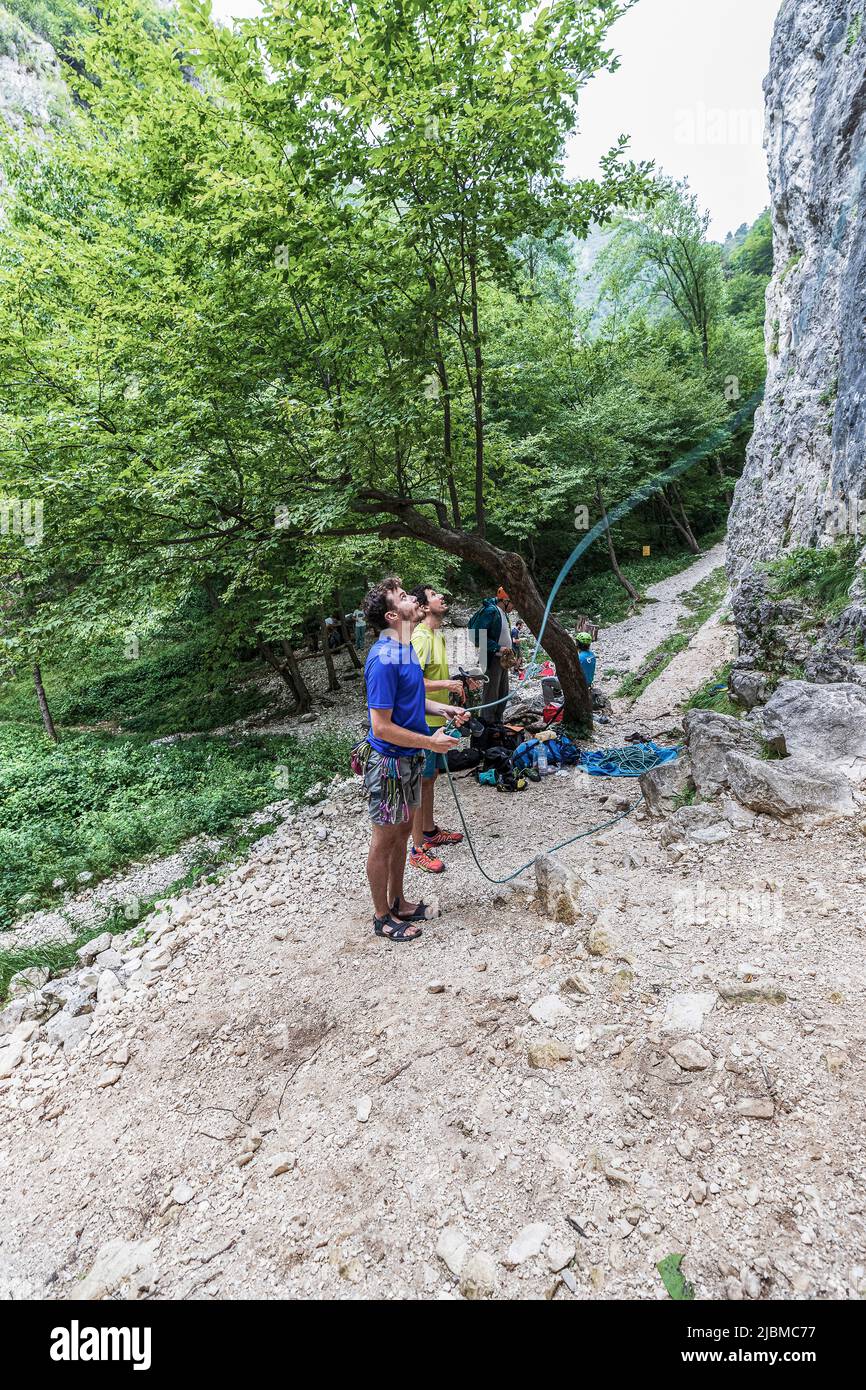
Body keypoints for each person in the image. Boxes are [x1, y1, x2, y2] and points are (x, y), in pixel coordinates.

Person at [361, 577, 468, 943]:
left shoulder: (406, 647)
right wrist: (429, 742)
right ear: (393, 614)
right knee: (384, 838)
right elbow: (381, 726)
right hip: (389, 761)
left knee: (404, 830)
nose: (414, 599)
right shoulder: (382, 658)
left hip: (409, 758)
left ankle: (400, 902)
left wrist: (444, 707)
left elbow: (413, 699)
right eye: (404, 597)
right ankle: (381, 917)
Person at [408, 585, 468, 874]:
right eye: (434, 595)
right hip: (423, 722)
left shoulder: (435, 635)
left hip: (436, 719)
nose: (442, 597)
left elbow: (432, 675)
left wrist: (455, 683)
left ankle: (430, 831)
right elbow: (412, 684)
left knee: (430, 779)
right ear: (423, 605)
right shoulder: (420, 637)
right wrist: (447, 685)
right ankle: (417, 848)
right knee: (420, 783)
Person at [468, 585, 515, 724]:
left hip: (501, 659)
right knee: (491, 695)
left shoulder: (502, 613)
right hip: (491, 658)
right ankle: (488, 725)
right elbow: (477, 636)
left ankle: (497, 723)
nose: (514, 607)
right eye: (513, 603)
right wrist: (497, 648)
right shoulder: (491, 611)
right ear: (505, 601)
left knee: (502, 693)